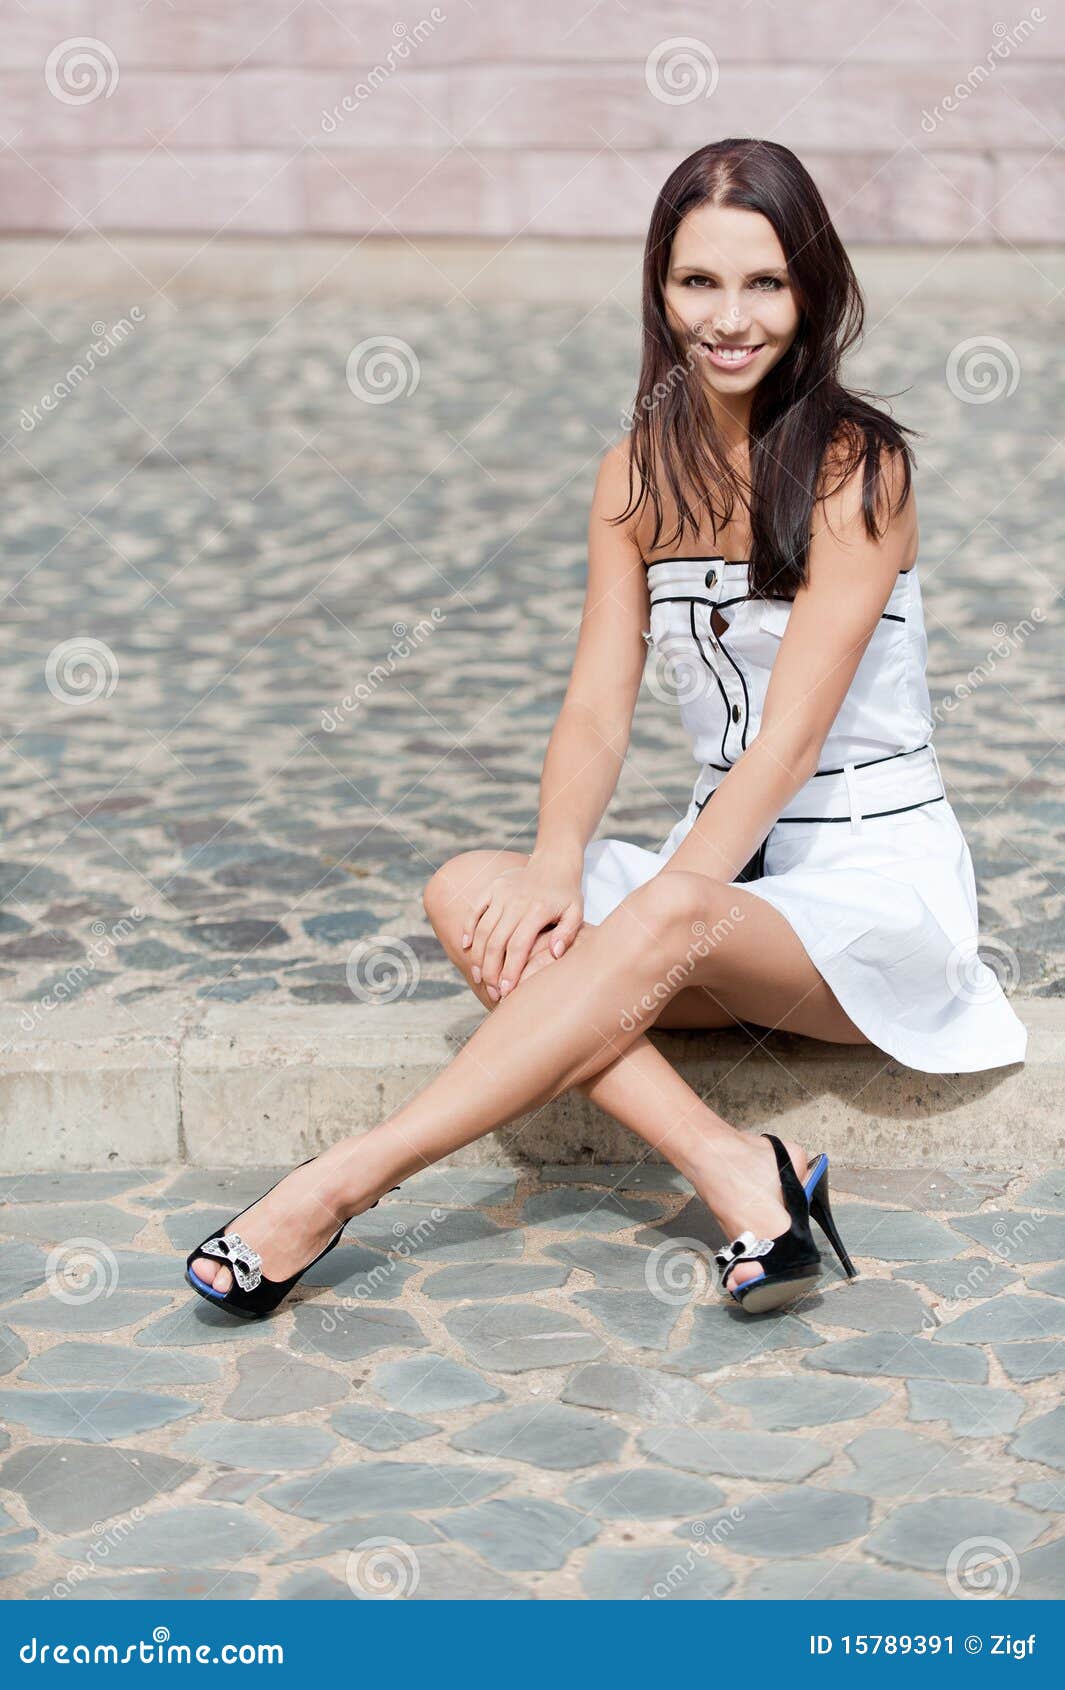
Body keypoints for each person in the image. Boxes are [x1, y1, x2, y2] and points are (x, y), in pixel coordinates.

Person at [184, 138, 1026, 1323]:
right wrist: (553, 861)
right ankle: (740, 1171)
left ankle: (338, 1184)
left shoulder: (858, 468)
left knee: (661, 910)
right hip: (719, 889)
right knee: (468, 890)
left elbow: (785, 745)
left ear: (813, 291)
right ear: (659, 289)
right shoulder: (632, 477)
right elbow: (596, 700)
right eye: (699, 283)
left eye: (765, 284)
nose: (730, 318)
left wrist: (655, 911)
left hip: (869, 891)